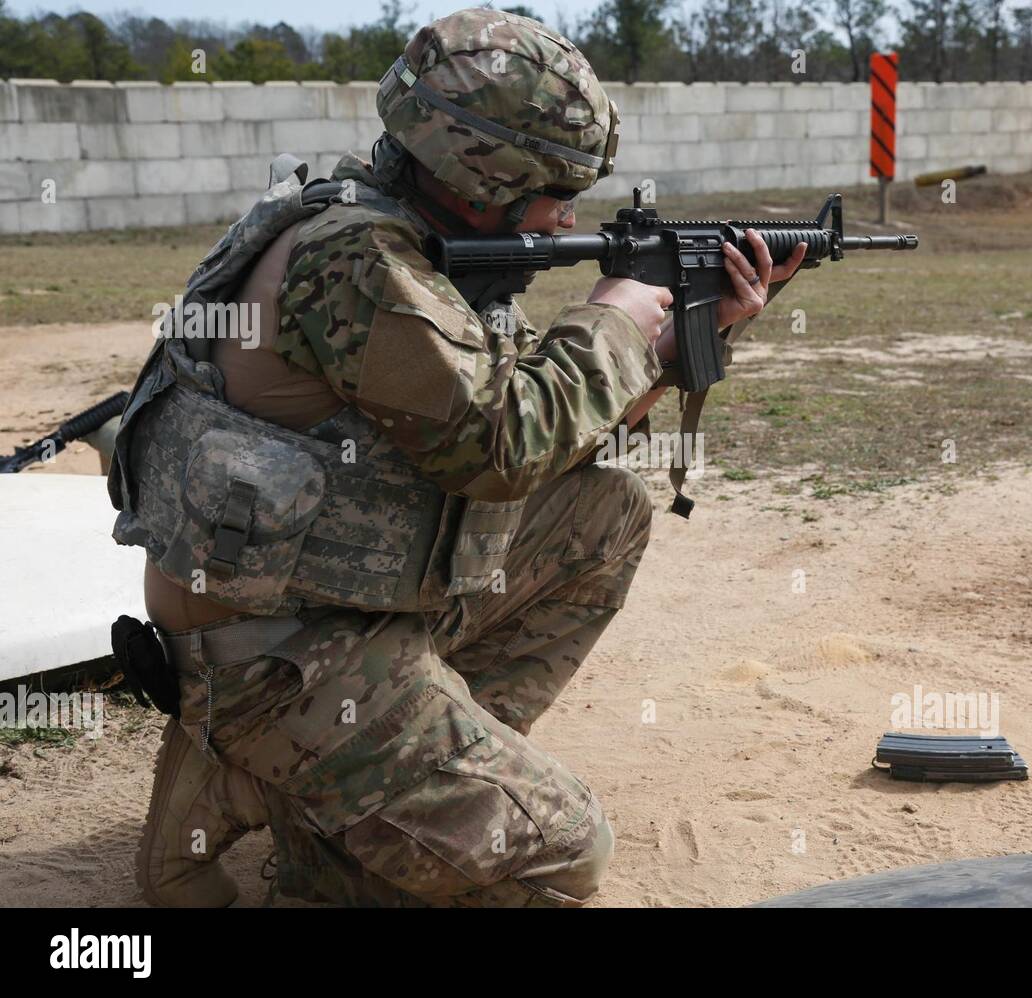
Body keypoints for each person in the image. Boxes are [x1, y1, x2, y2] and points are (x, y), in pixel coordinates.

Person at [112, 8, 804, 907]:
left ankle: (383, 786)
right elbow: (503, 447)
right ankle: (278, 778)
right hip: (277, 654)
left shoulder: (417, 250)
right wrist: (610, 319)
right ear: (487, 175)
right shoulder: (359, 263)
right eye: (558, 187)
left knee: (608, 510)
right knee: (561, 854)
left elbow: (556, 439)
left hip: (340, 609)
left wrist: (689, 339)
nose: (568, 214)